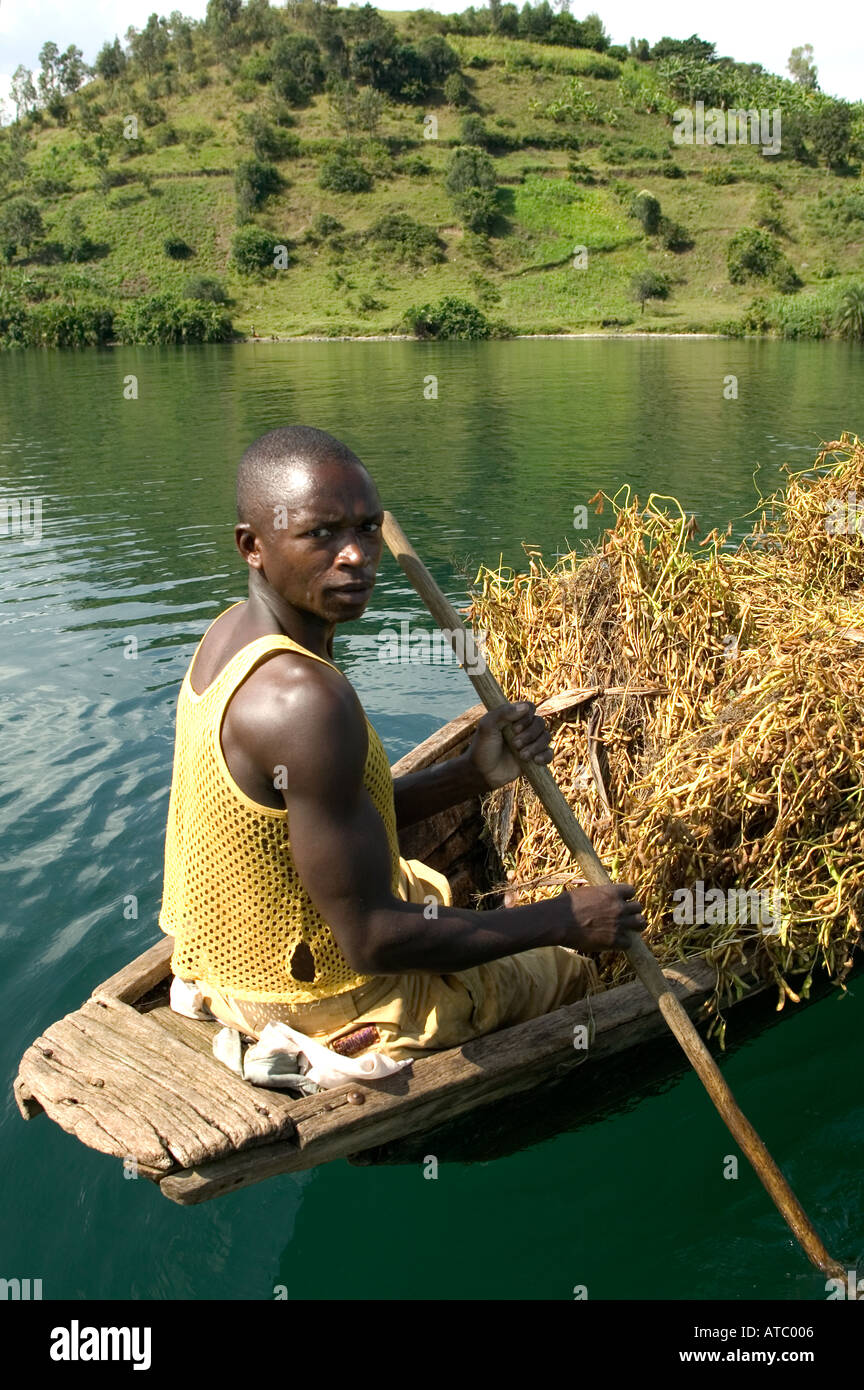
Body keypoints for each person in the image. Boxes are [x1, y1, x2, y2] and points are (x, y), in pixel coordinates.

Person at [159, 426, 646, 1061]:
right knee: (570, 971)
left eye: (366, 528)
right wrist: (567, 921)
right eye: (321, 534)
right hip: (324, 1001)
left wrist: (470, 775)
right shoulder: (305, 701)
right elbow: (371, 940)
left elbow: (319, 810)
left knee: (426, 884)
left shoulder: (229, 636)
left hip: (221, 963)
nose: (357, 555)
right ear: (253, 546)